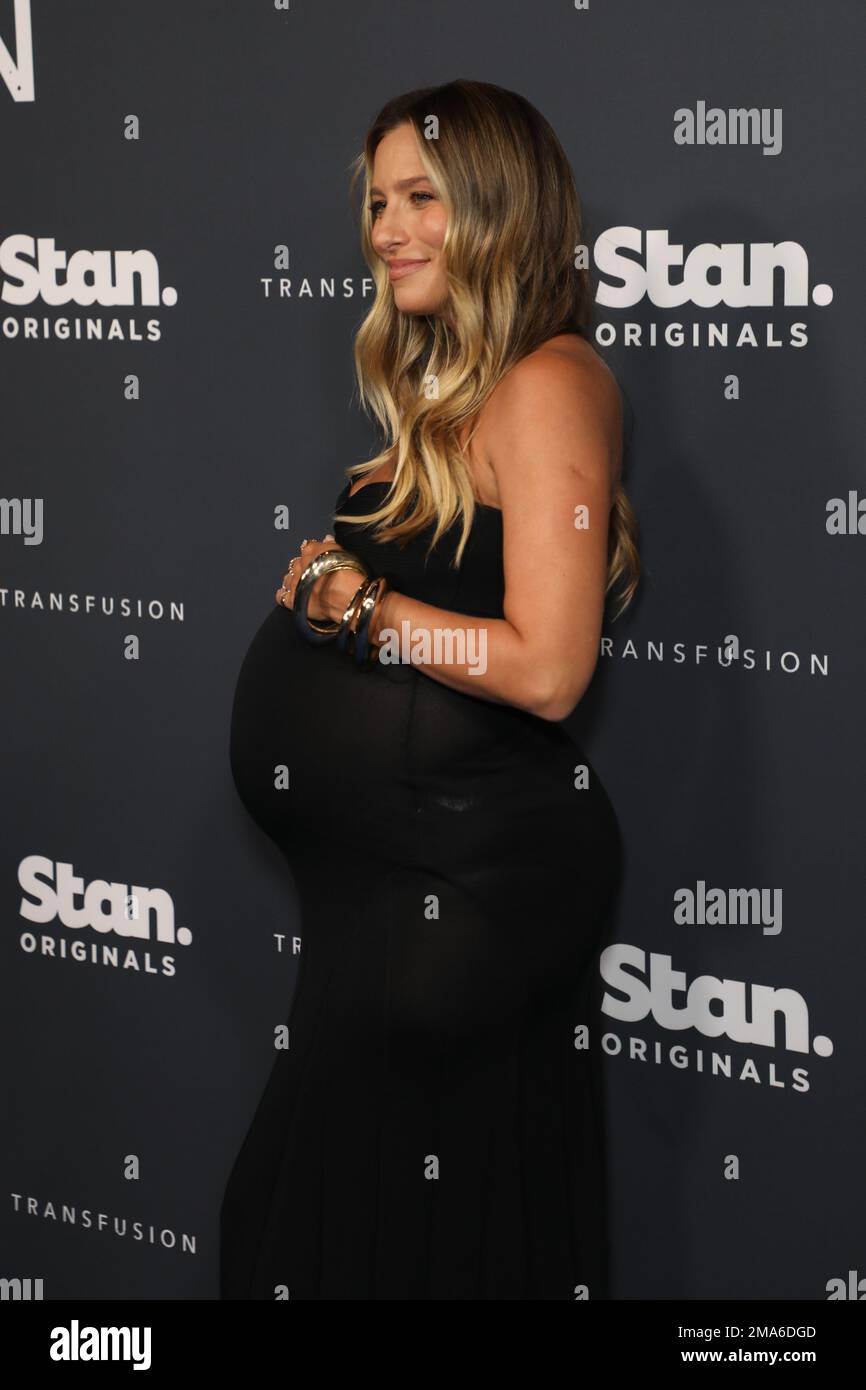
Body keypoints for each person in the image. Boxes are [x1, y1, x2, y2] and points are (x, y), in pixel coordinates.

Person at [220, 78, 640, 1301]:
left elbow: (548, 670)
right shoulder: (454, 384)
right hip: (388, 902)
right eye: (377, 202)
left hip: (460, 903)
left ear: (500, 211)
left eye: (421, 200)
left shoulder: (547, 385)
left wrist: (362, 612)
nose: (386, 229)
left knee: (379, 1240)